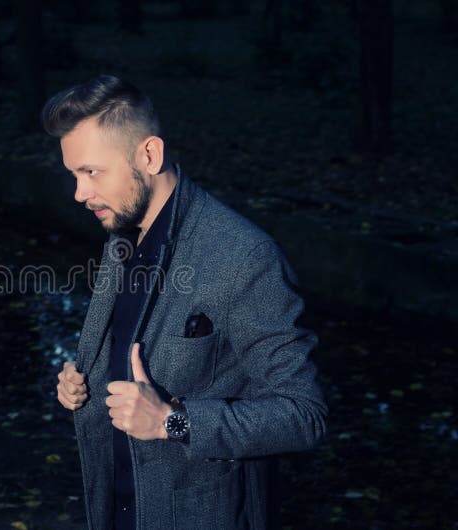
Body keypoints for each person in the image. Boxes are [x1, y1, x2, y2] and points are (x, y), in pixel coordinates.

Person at [44, 75, 327, 530]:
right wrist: (83, 383)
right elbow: (134, 363)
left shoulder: (245, 256)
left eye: (91, 172)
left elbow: (303, 415)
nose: (79, 193)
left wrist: (172, 422)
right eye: (73, 174)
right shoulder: (122, 235)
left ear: (149, 155)